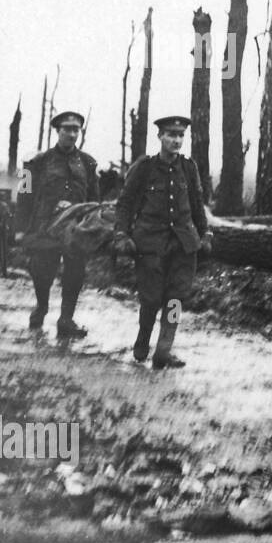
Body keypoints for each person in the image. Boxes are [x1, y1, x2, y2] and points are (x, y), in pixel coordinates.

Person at [113, 115, 213, 368]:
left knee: (176, 298)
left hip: (183, 244)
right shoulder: (144, 167)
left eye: (180, 136)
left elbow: (197, 204)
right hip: (150, 244)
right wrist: (122, 234)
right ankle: (143, 340)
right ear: (160, 137)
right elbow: (125, 203)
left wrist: (206, 233)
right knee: (150, 299)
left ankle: (164, 350)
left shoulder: (189, 168)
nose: (176, 140)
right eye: (171, 135)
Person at [14, 110, 99, 337]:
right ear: (57, 131)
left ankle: (66, 320)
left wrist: (95, 230)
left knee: (75, 274)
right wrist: (21, 229)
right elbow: (24, 196)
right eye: (67, 130)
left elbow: (94, 200)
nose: (72, 134)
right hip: (45, 228)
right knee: (42, 272)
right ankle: (41, 307)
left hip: (77, 231)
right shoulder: (37, 162)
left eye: (75, 130)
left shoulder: (88, 163)